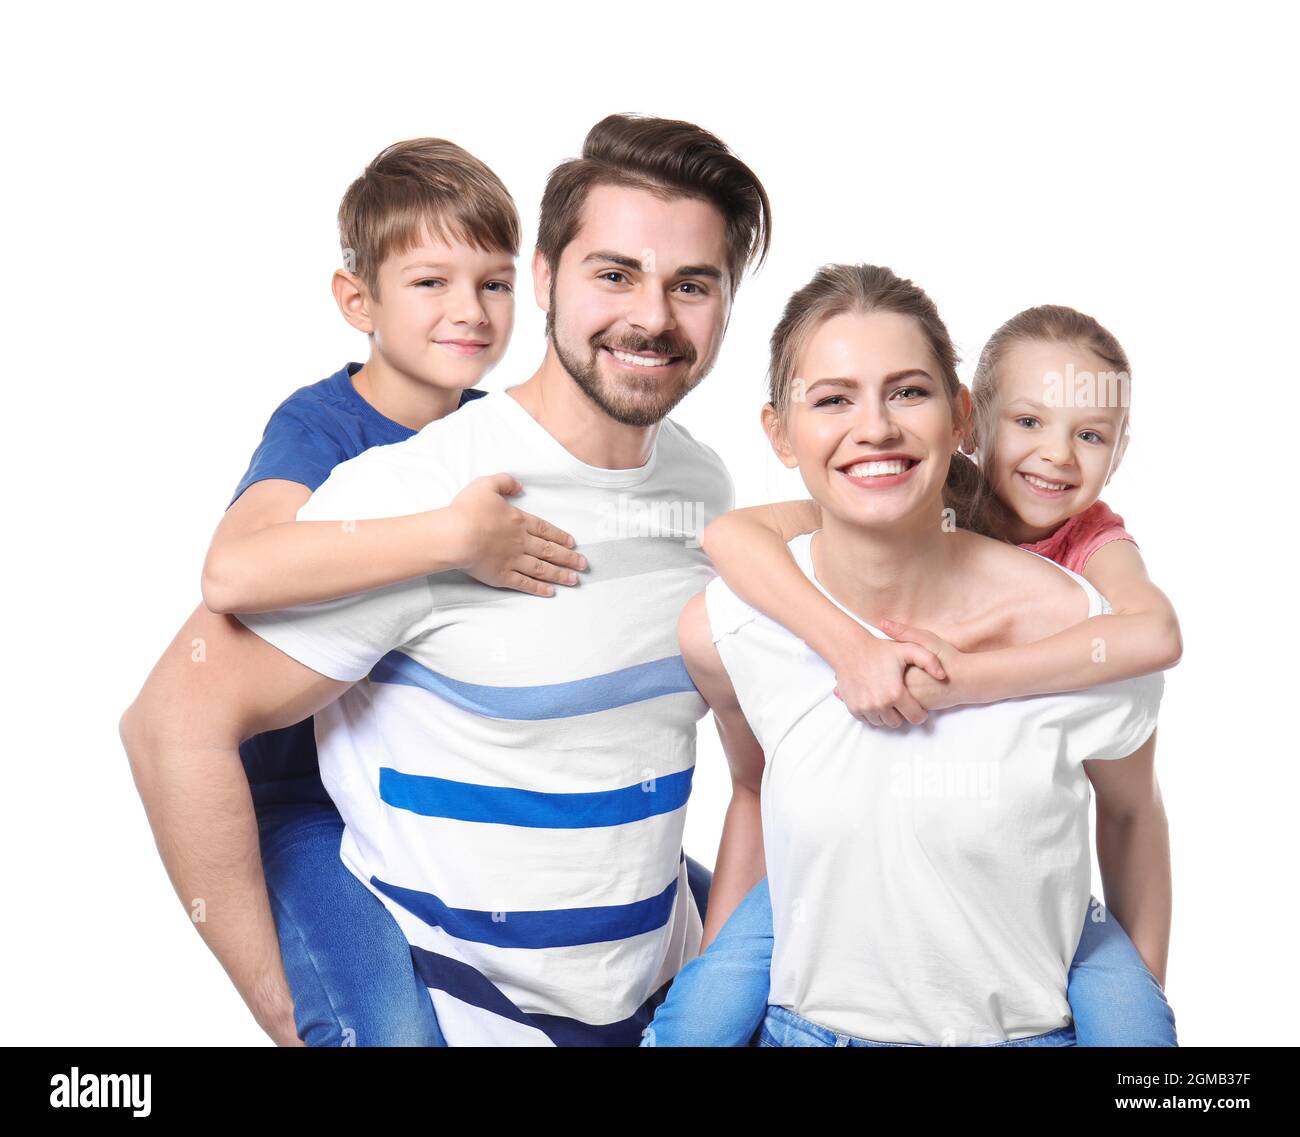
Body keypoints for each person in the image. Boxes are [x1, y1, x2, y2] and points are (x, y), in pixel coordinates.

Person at [120, 113, 772, 1045]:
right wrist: (294, 1011)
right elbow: (175, 709)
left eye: (693, 284)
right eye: (615, 273)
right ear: (551, 276)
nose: (653, 315)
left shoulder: (702, 488)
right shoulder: (417, 486)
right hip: (400, 929)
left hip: (641, 1002)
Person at [123, 137, 588, 1045]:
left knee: (674, 923)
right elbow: (233, 569)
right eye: (431, 283)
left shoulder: (498, 431)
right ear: (357, 301)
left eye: (494, 284)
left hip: (437, 782)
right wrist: (450, 538)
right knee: (386, 1027)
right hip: (306, 801)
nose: (471, 310)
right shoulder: (325, 425)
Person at [645, 264, 1173, 1047]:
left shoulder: (1085, 620)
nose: (876, 427)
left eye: (908, 392)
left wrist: (972, 680)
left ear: (958, 417)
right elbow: (750, 794)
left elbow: (1136, 783)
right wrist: (850, 647)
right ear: (780, 436)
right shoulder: (738, 625)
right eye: (833, 398)